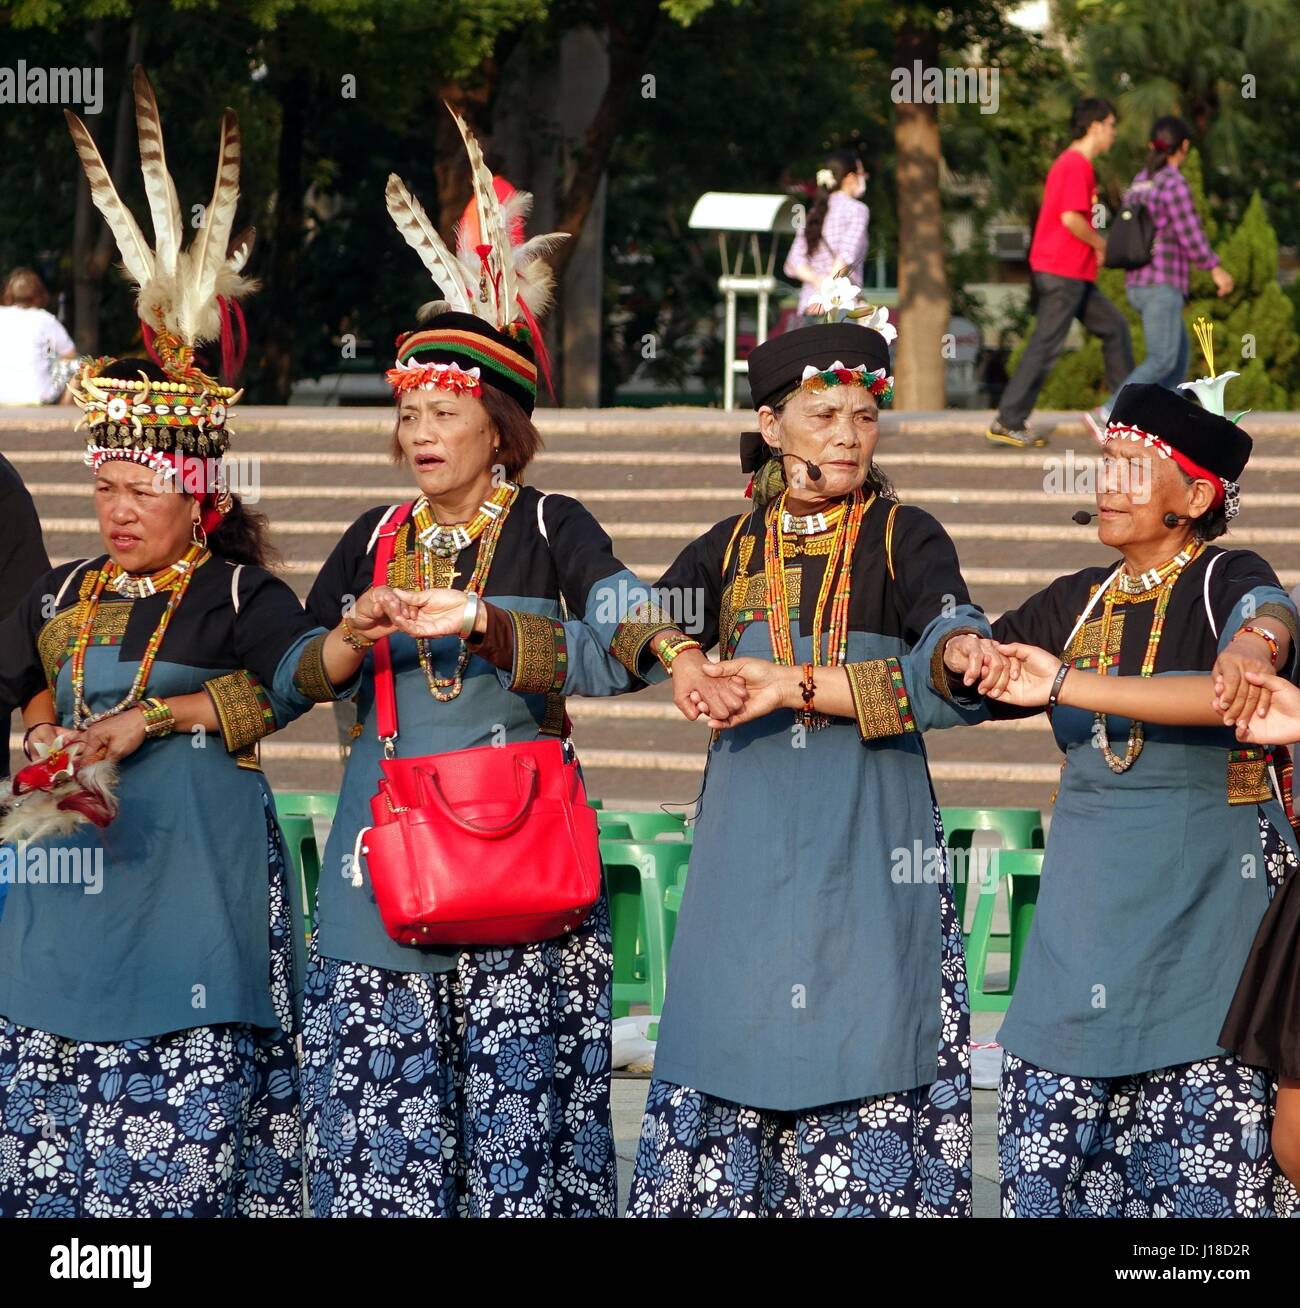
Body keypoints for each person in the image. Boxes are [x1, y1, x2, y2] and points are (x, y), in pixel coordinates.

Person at [296, 113, 741, 1218]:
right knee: (381, 1149)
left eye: (443, 412)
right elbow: (294, 671)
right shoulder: (369, 535)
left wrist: (649, 651)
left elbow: (620, 623)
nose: (420, 434)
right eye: (408, 414)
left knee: (520, 1147)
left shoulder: (549, 522)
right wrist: (354, 632)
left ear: (498, 426)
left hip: (519, 870)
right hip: (380, 868)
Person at [0, 71, 362, 1217]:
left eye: (139, 491)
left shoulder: (240, 592)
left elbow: (302, 677)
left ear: (197, 500)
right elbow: (17, 691)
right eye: (103, 487)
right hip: (64, 890)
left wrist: (161, 715)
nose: (115, 511)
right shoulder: (62, 589)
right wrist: (44, 730)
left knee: (183, 1152)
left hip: (189, 890)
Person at [620, 322, 1014, 1218]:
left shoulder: (904, 537)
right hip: (744, 872)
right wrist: (681, 655)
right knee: (724, 1062)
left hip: (868, 862)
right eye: (824, 413)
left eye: (865, 416)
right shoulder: (729, 546)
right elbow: (630, 623)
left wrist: (942, 654)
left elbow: (952, 658)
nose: (846, 434)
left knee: (871, 1059)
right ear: (771, 426)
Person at [983, 366, 1300, 1217]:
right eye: (1105, 462)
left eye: (1131, 466)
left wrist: (1252, 648)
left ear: (1194, 497)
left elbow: (1255, 646)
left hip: (1206, 944)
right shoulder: (1075, 603)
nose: (1105, 484)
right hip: (1080, 946)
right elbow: (962, 673)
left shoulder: (1226, 579)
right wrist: (941, 650)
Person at [987, 98, 1132, 449]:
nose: (1114, 133)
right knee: (1047, 345)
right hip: (1061, 270)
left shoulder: (1078, 165)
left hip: (1074, 273)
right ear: (1095, 126)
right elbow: (1070, 219)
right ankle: (1008, 420)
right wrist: (1100, 245)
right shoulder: (1074, 164)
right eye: (1111, 125)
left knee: (1115, 329)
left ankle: (1127, 416)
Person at [1097, 116, 1234, 439]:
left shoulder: (1141, 181)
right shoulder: (1173, 183)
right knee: (1162, 359)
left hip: (1138, 283)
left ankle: (1167, 428)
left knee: (1177, 363)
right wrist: (1215, 268)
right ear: (1183, 147)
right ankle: (1108, 412)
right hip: (1161, 283)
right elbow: (1190, 234)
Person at [784, 149, 870, 325]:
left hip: (809, 306)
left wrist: (818, 282)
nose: (864, 178)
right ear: (850, 177)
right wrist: (828, 292)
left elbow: (793, 262)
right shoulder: (857, 210)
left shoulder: (815, 212)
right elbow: (846, 257)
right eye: (862, 173)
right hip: (840, 308)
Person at [0, 268, 78, 405]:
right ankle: (63, 408)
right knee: (80, 364)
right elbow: (70, 355)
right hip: (37, 396)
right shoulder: (44, 319)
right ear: (38, 293)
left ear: (8, 293)